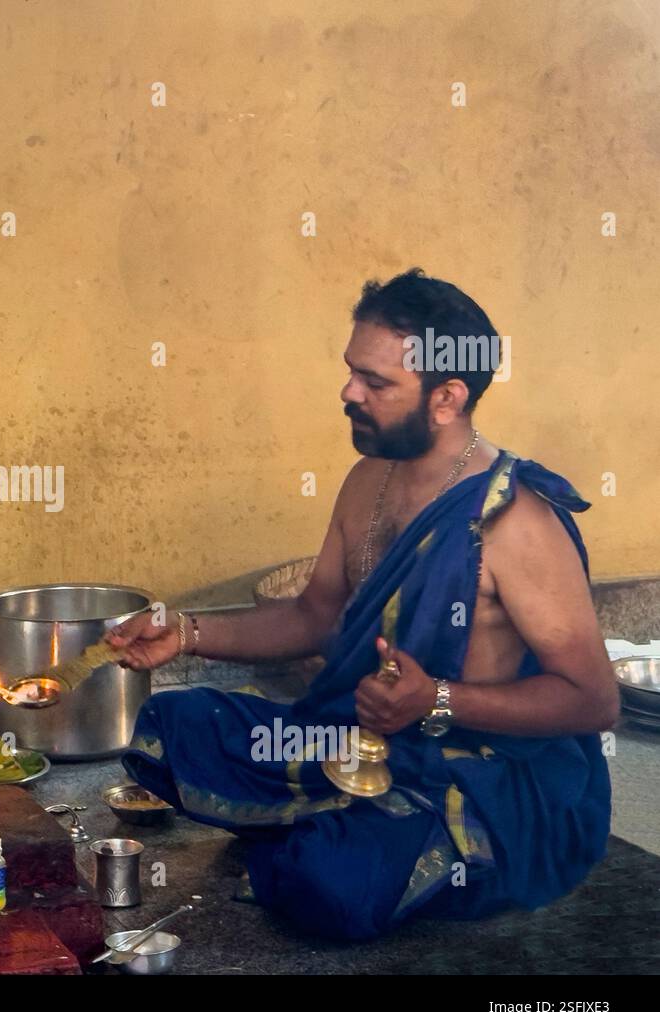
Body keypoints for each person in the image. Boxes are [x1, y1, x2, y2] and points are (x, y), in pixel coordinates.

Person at [108, 268, 618, 941]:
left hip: (473, 777)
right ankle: (327, 825)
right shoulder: (366, 479)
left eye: (375, 383)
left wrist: (436, 698)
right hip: (353, 738)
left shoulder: (514, 519)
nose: (348, 392)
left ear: (447, 396)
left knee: (330, 883)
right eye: (353, 371)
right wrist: (188, 631)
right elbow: (314, 615)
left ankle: (329, 837)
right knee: (170, 726)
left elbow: (592, 700)